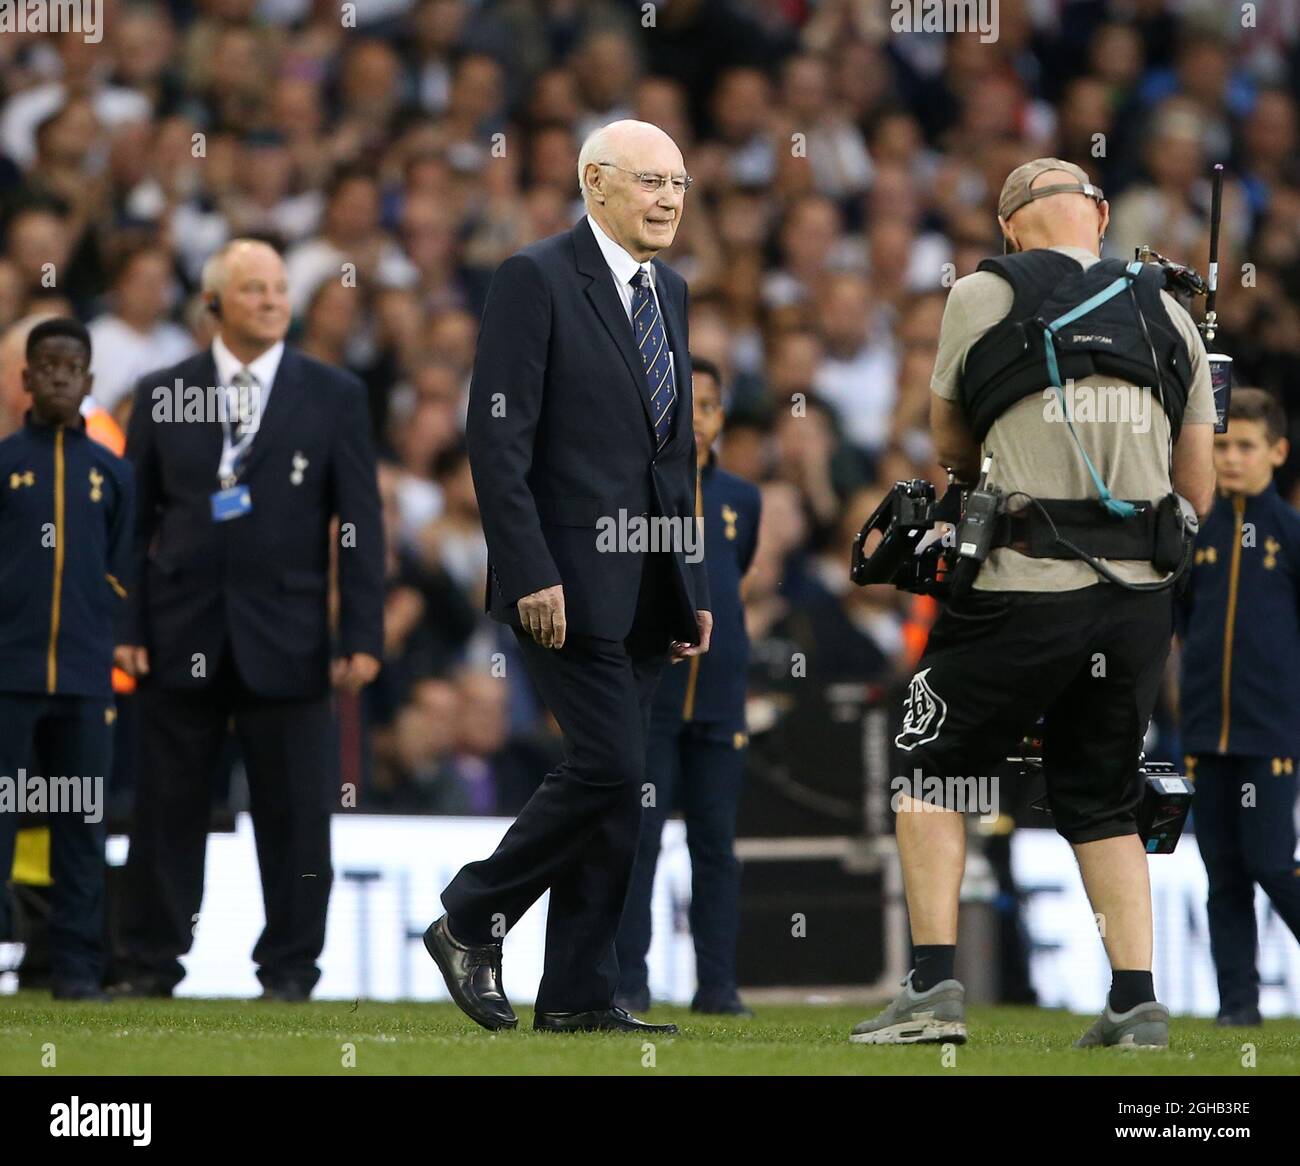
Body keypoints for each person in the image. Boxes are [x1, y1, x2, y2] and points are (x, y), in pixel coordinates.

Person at [849, 158, 1217, 1048]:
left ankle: (933, 991)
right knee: (1100, 796)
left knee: (930, 768)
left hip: (1022, 584)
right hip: (1136, 606)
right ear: (1098, 215)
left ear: (1011, 228)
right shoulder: (1172, 312)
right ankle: (1135, 1002)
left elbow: (949, 444)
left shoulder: (982, 294)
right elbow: (1196, 487)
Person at [425, 120, 712, 1035]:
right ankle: (471, 915)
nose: (669, 199)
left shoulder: (669, 290)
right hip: (564, 580)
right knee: (611, 765)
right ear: (595, 182)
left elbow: (676, 455)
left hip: (648, 581)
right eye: (650, 182)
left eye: (679, 183)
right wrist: (528, 569)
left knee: (620, 791)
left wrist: (690, 582)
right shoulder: (534, 277)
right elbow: (496, 439)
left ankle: (581, 997)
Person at [110, 238, 384, 1001]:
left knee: (297, 818)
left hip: (292, 639)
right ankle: (148, 964)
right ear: (213, 305)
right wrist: (127, 626)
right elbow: (134, 524)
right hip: (178, 633)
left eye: (277, 288)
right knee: (167, 812)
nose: (271, 299)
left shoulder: (335, 394)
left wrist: (362, 633)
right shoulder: (163, 390)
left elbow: (359, 521)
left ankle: (292, 971)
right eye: (253, 289)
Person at [614, 356, 761, 1017]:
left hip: (722, 700)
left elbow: (741, 572)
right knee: (639, 841)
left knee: (716, 845)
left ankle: (719, 987)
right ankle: (629, 982)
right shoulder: (640, 493)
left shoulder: (741, 499)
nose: (696, 420)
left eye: (707, 407)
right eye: (685, 407)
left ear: (721, 417)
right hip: (657, 699)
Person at [0, 318, 134, 999]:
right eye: (45, 365)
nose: (57, 375)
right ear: (25, 378)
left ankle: (79, 970)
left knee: (82, 826)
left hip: (84, 682)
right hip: (10, 679)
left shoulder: (112, 473)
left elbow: (123, 568)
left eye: (70, 366)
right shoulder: (4, 465)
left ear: (87, 381)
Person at [1178, 388, 1300, 1026]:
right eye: (1221, 444)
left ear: (1277, 452)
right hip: (1204, 736)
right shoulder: (1196, 532)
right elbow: (1178, 625)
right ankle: (1238, 1010)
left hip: (1270, 736)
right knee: (1223, 876)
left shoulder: (1290, 534)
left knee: (1274, 865)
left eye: (1246, 446)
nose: (1230, 458)